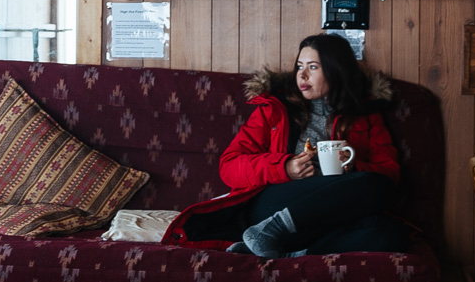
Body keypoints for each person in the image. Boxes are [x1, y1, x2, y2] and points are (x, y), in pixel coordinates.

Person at [166, 33, 408, 257]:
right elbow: (229, 166)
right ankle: (269, 230)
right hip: (274, 203)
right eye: (300, 67)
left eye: (313, 67)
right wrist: (285, 168)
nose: (302, 75)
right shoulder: (275, 109)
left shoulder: (366, 114)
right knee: (371, 184)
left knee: (391, 232)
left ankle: (285, 251)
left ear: (336, 71)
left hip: (331, 209)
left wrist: (354, 167)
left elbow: (390, 173)